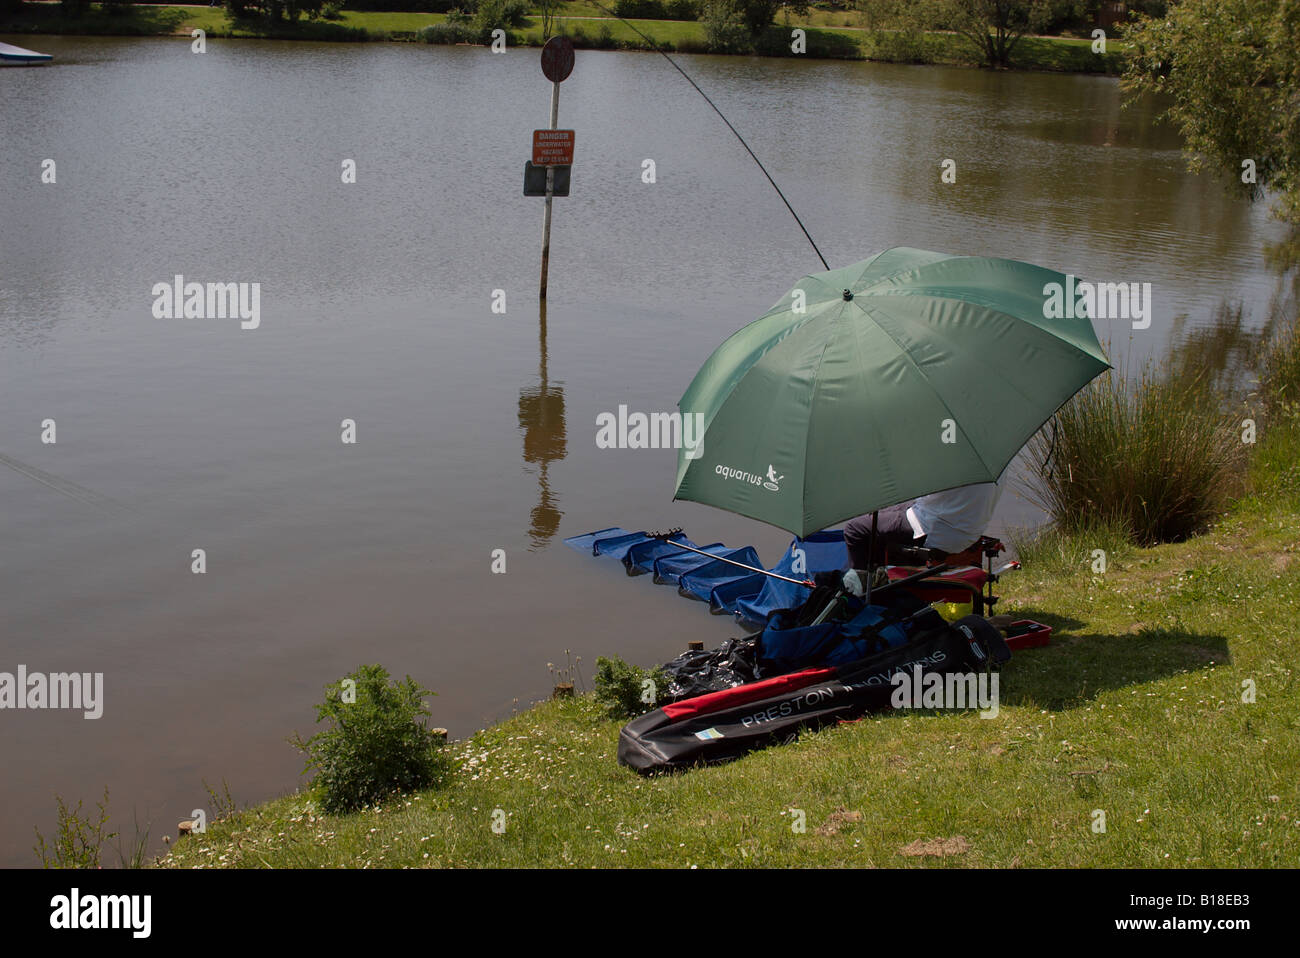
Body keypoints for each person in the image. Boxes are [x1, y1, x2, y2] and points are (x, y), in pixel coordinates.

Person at [843, 479, 1003, 570]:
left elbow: (921, 486)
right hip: (968, 530)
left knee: (854, 529)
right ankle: (883, 580)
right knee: (876, 514)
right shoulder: (996, 460)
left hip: (937, 529)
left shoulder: (955, 454)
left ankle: (858, 594)